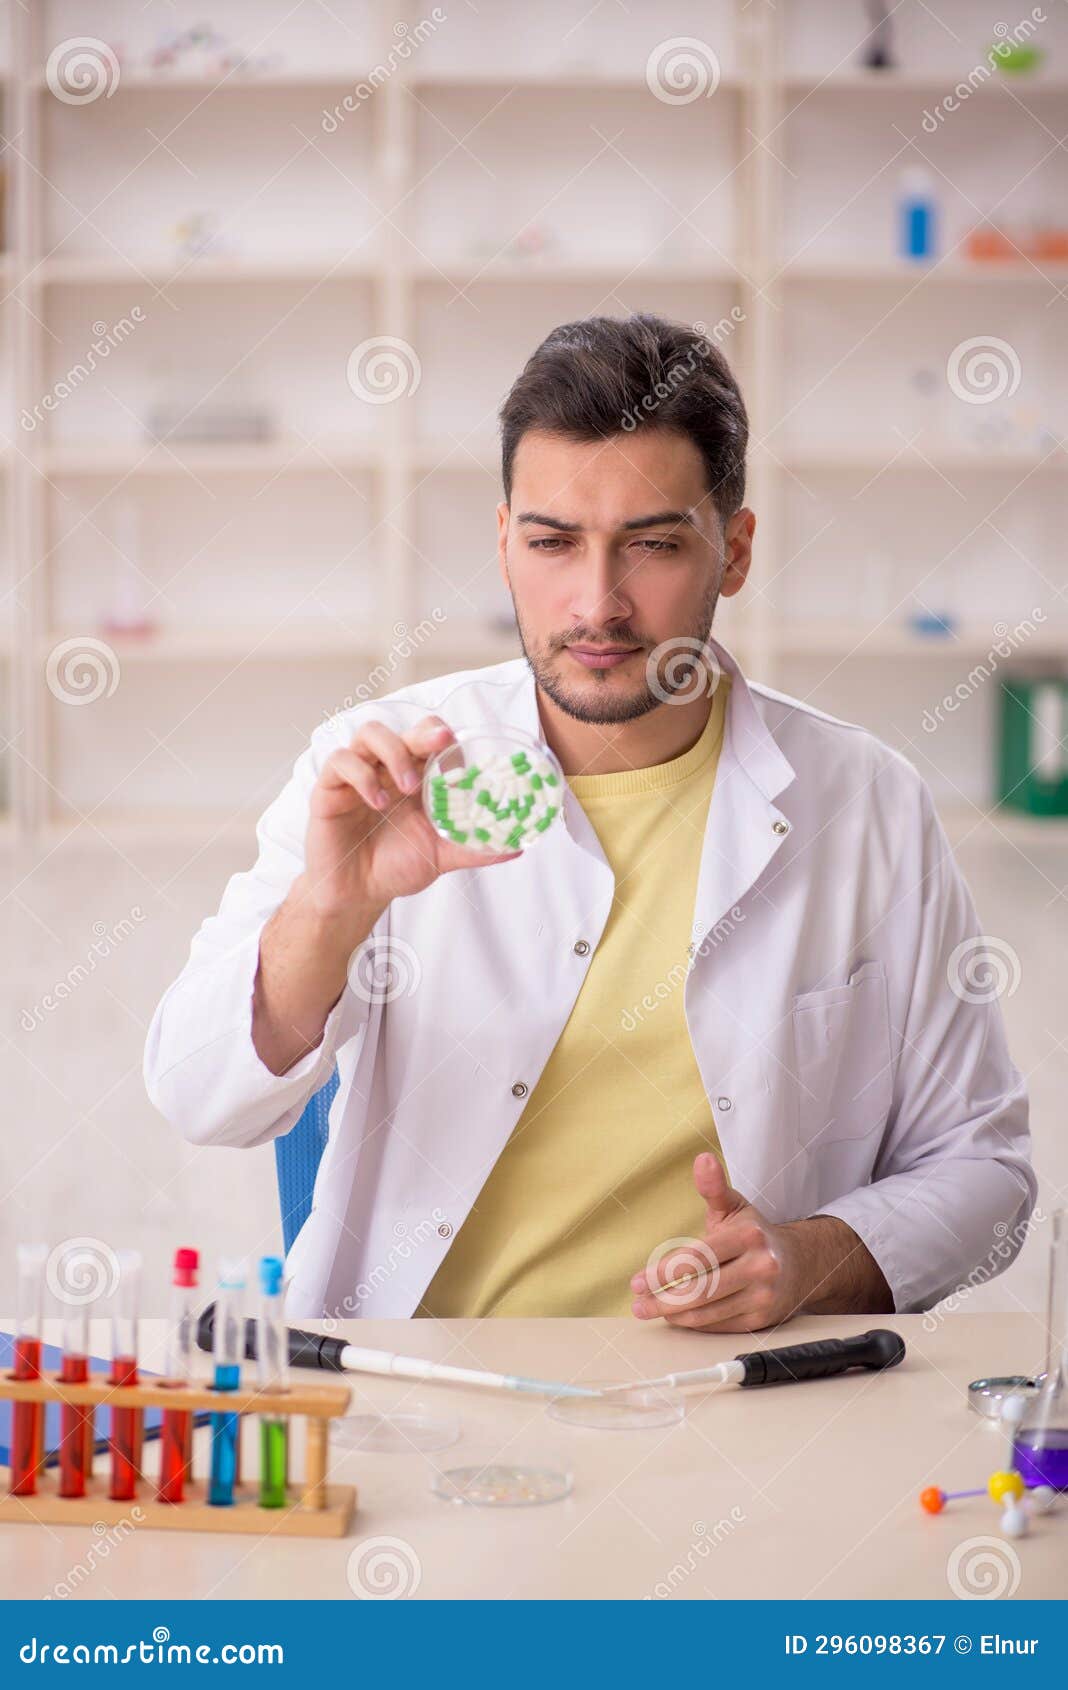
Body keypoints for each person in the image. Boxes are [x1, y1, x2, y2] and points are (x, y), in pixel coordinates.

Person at [144, 312, 1035, 1327]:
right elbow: (196, 1093)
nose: (597, 603)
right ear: (503, 542)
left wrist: (814, 1259)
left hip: (746, 1394)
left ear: (734, 552)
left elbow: (986, 1173)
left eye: (651, 545)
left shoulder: (866, 802)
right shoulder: (380, 765)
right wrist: (332, 909)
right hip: (431, 1378)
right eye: (553, 543)